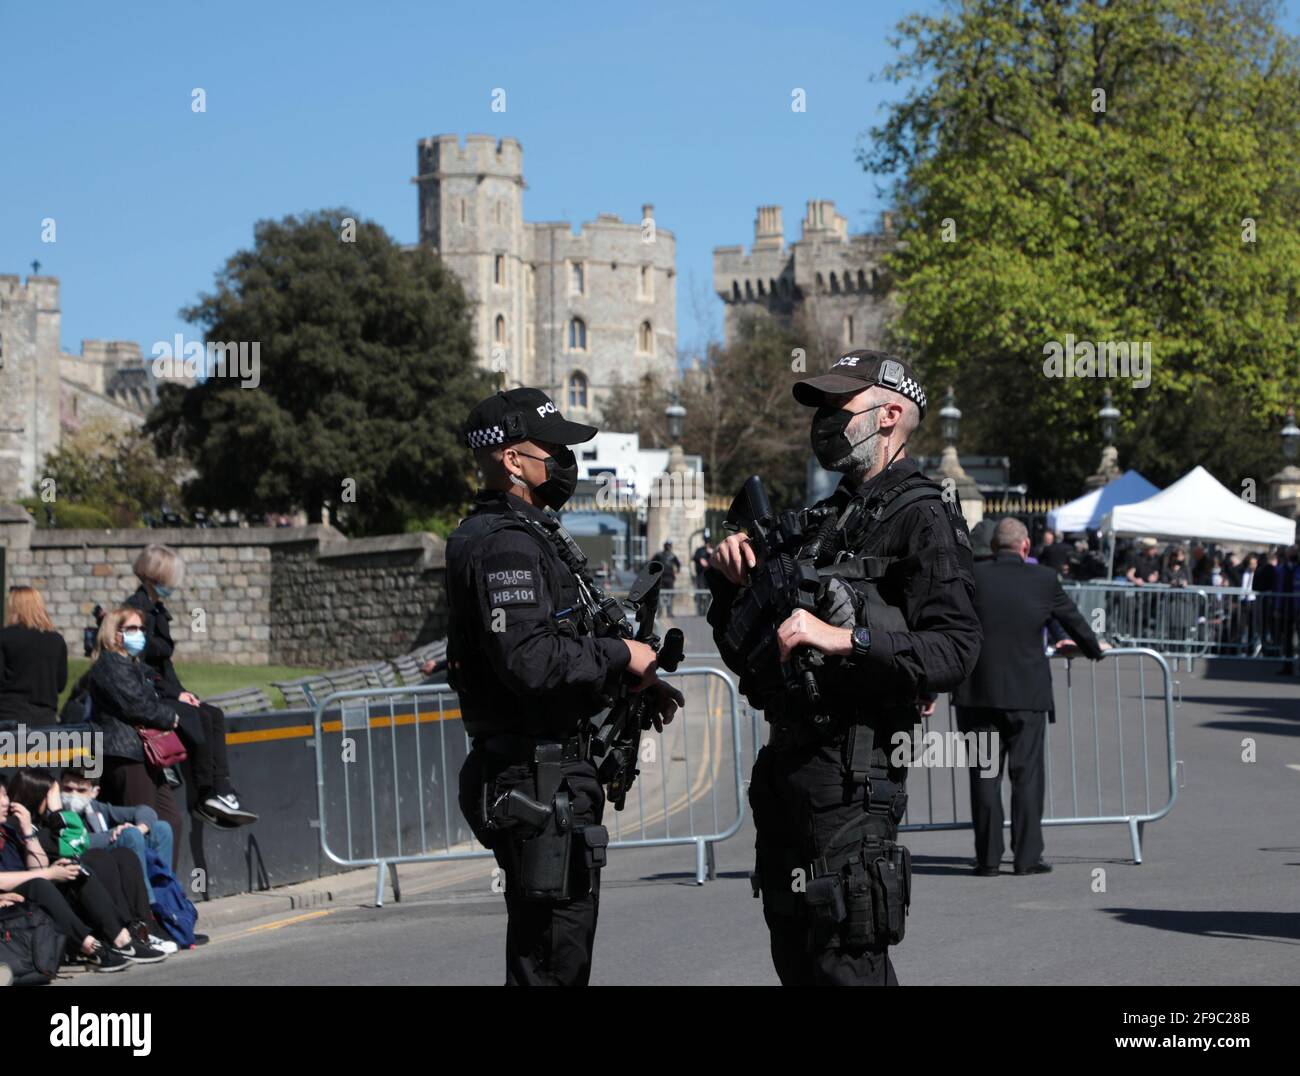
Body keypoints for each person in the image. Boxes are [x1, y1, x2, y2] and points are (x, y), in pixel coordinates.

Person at [708, 350, 982, 986]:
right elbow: (755, 661)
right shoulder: (825, 521)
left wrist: (848, 639)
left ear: (889, 415)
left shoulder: (924, 513)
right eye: (822, 410)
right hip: (791, 770)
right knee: (798, 958)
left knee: (846, 963)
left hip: (855, 777)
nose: (825, 423)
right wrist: (733, 589)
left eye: (839, 408)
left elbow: (956, 648)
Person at [447, 387, 682, 986]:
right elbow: (528, 660)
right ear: (510, 459)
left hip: (545, 773)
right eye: (550, 448)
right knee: (552, 961)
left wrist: (628, 679)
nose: (562, 460)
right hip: (535, 777)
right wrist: (619, 652)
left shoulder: (529, 532)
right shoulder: (504, 544)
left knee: (554, 953)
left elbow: (556, 647)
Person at [953, 518, 1108, 876]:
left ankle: (988, 859)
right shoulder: (1043, 580)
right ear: (1025, 547)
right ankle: (1026, 857)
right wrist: (1094, 649)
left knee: (985, 777)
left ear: (992, 548)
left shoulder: (972, 578)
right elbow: (1073, 621)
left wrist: (928, 688)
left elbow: (949, 630)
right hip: (1028, 693)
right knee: (1027, 777)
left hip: (977, 694)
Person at [126, 544, 256, 828]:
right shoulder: (137, 611)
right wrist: (175, 694)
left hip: (164, 689)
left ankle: (220, 789)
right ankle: (205, 793)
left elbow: (165, 663)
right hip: (148, 692)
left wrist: (183, 692)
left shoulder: (157, 610)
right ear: (155, 576)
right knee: (194, 719)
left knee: (213, 715)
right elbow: (142, 663)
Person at [2, 769, 166, 965]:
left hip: (34, 887)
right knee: (46, 881)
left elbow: (38, 865)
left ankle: (124, 938)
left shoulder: (13, 830)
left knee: (80, 868)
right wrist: (56, 814)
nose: (6, 802)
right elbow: (73, 844)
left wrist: (29, 833)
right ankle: (91, 947)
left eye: (5, 795)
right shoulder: (34, 826)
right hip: (20, 898)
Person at [86, 605, 186, 868]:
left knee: (170, 820)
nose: (139, 634)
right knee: (141, 826)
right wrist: (169, 717)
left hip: (146, 753)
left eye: (142, 629)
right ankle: (143, 895)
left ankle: (166, 888)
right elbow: (135, 705)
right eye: (132, 628)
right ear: (114, 633)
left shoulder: (129, 664)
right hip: (125, 754)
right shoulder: (110, 665)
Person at [60, 769, 173, 906]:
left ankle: (164, 897)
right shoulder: (54, 811)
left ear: (94, 792)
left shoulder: (96, 809)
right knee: (130, 836)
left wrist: (139, 829)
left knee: (161, 829)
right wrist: (115, 833)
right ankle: (147, 904)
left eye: (81, 791)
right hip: (83, 862)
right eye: (68, 789)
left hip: (109, 860)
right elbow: (75, 841)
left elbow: (145, 811)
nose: (73, 796)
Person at [0, 586, 68, 727]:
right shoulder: (56, 640)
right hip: (45, 720)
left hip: (9, 719)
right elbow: (60, 684)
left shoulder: (5, 637)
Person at [650, 541, 682, 617]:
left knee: (670, 595)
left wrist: (677, 571)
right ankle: (660, 612)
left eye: (669, 545)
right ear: (664, 546)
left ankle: (669, 612)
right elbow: (652, 563)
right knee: (660, 595)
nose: (668, 547)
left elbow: (678, 564)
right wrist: (653, 573)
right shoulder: (659, 555)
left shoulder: (672, 556)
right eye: (667, 545)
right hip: (661, 578)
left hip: (670, 578)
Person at [691, 536, 714, 615]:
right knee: (700, 592)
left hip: (710, 574)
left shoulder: (713, 550)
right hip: (701, 574)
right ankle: (700, 610)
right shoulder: (700, 550)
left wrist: (712, 553)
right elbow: (694, 557)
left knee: (709, 592)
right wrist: (700, 559)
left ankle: (708, 609)